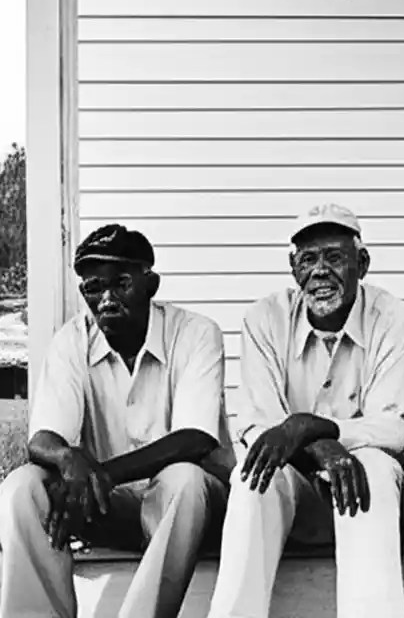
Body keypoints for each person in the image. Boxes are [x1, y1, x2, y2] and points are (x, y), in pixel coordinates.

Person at [0, 224, 233, 618]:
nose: (106, 299)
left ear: (151, 284)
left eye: (121, 283)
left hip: (189, 512)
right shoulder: (71, 341)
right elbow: (43, 438)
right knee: (22, 486)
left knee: (185, 478)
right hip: (108, 507)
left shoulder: (196, 334)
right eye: (93, 288)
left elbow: (195, 440)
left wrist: (101, 473)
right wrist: (68, 458)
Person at [207, 203, 404, 618]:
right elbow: (259, 427)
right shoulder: (264, 319)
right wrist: (317, 444)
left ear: (362, 263)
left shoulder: (394, 318)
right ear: (293, 268)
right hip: (299, 495)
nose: (320, 271)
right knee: (251, 476)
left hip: (381, 498)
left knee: (370, 468)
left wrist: (310, 427)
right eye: (308, 259)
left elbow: (393, 427)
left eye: (334, 257)